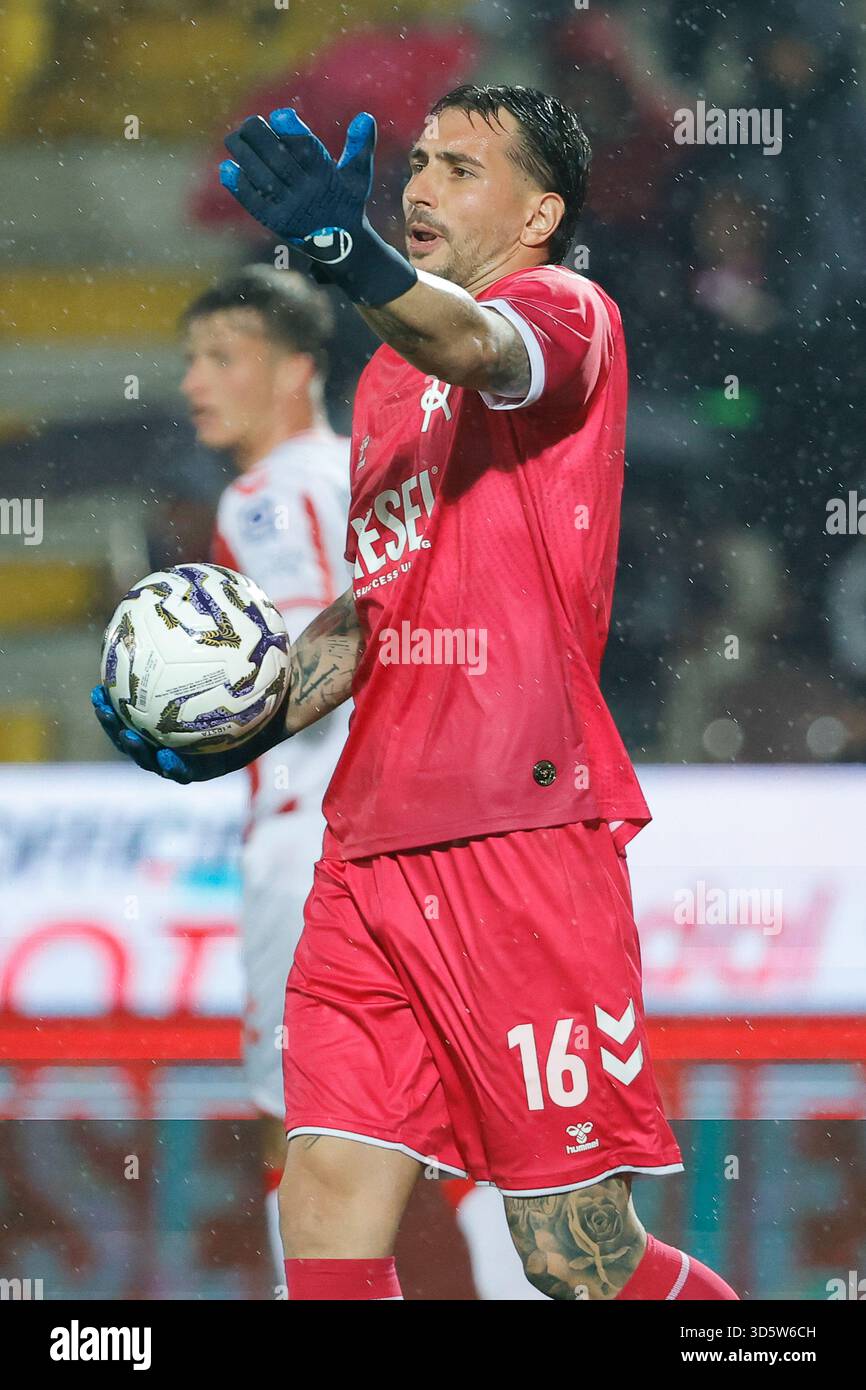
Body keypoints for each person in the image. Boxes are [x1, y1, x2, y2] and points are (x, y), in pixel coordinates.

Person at [94, 83, 739, 1301]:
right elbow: (372, 610)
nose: (422, 185)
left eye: (460, 168)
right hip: (362, 846)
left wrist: (349, 251)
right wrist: (231, 727)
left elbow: (473, 341)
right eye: (419, 163)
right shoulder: (388, 381)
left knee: (571, 1257)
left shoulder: (562, 312)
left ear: (541, 209)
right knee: (329, 1196)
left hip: (516, 831)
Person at [178, 266, 352, 1283]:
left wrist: (182, 720)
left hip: (304, 840)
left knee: (295, 1126)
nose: (196, 381)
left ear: (297, 370)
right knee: (449, 1138)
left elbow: (310, 652)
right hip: (395, 837)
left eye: (222, 357)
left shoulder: (264, 498)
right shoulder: (363, 469)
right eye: (190, 359)